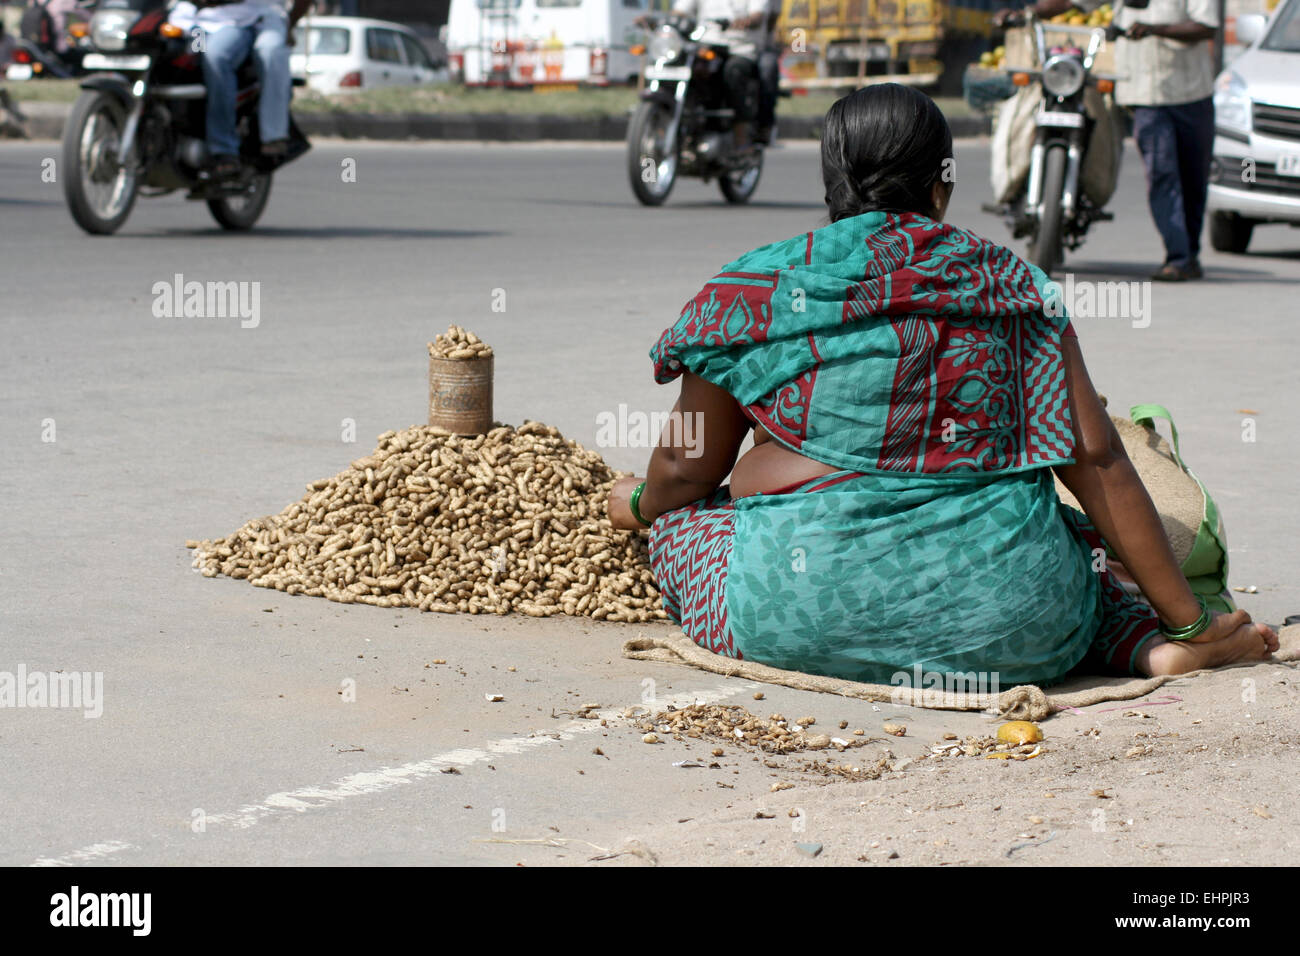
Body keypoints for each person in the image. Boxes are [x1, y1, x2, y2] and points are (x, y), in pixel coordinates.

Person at [606, 84, 1277, 686]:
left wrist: (636, 502)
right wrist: (1191, 621)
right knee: (1079, 553)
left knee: (681, 526)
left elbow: (684, 472)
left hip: (796, 617)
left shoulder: (755, 287)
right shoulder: (1010, 285)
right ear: (941, 186)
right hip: (1018, 628)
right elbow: (1097, 457)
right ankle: (1159, 648)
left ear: (832, 184)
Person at [996, 0, 1220, 281]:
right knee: (1162, 173)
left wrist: (1156, 30)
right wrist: (1026, 14)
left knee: (1193, 178)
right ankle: (1178, 256)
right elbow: (1073, 2)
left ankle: (1190, 254)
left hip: (1192, 93)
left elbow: (1205, 27)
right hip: (1145, 96)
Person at [170, 0, 312, 178]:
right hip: (193, 21)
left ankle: (228, 148)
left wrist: (290, 25)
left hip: (244, 20)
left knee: (222, 56)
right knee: (178, 55)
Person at [650, 0, 770, 149]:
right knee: (684, 67)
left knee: (733, 71)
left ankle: (741, 134)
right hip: (706, 46)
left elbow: (757, 16)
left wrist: (745, 21)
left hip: (740, 48)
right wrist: (666, 20)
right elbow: (680, 10)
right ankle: (683, 124)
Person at [753, 0, 782, 144]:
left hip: (755, 47)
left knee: (768, 68)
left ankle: (765, 126)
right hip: (707, 45)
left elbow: (768, 18)